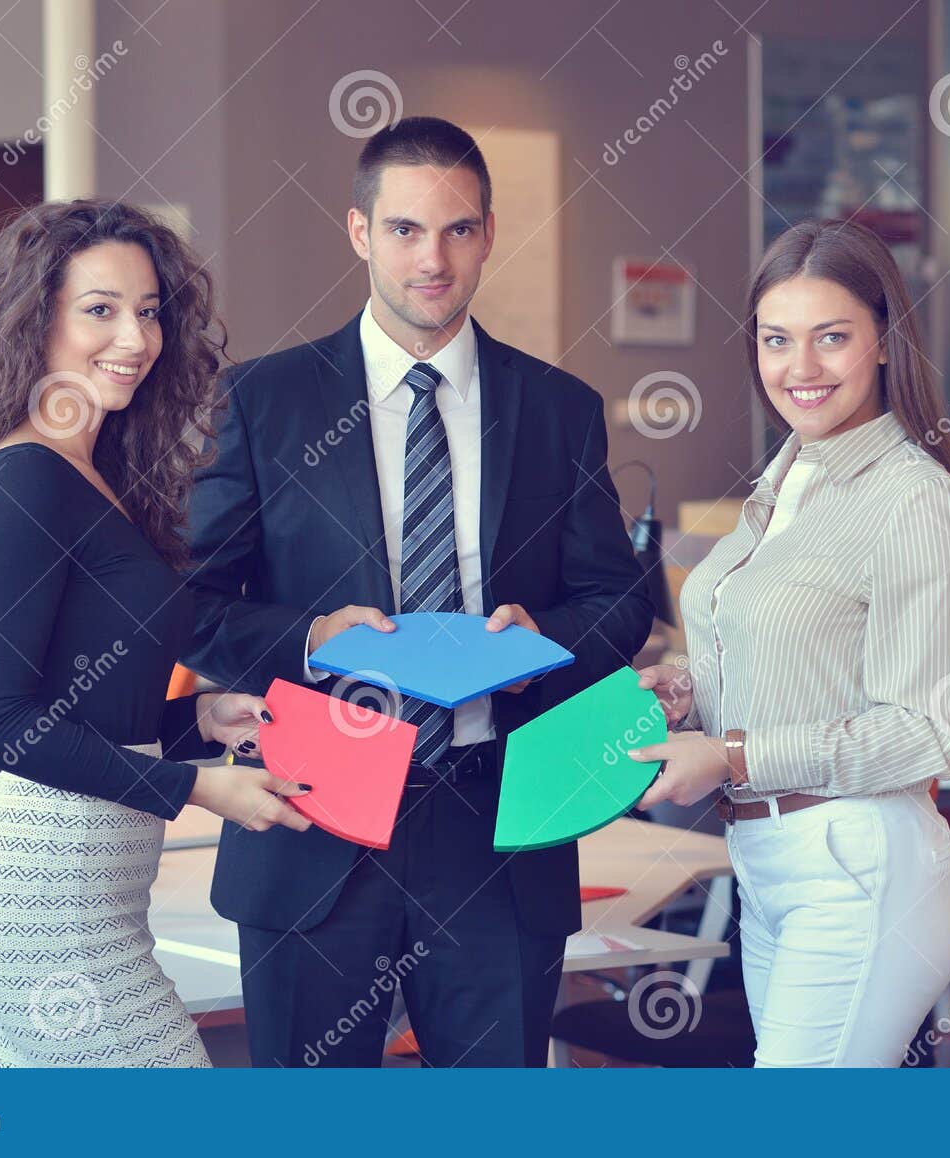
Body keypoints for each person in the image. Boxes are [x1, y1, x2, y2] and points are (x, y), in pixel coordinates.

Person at [184, 117, 653, 1067]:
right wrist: (309, 639)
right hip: (313, 813)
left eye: (457, 230)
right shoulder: (264, 400)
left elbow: (620, 599)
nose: (431, 260)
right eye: (404, 229)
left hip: (495, 826)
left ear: (487, 233)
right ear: (359, 230)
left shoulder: (558, 408)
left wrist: (547, 642)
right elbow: (189, 602)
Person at [0, 199, 312, 1068]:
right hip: (47, 915)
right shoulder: (28, 480)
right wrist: (198, 786)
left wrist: (195, 721)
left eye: (148, 311)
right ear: (34, 322)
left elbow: (81, 707)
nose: (134, 339)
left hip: (92, 902)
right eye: (99, 309)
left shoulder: (89, 473)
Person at [632, 218, 950, 1067]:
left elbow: (932, 732)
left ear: (884, 341)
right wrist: (690, 687)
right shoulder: (787, 480)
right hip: (767, 860)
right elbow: (795, 658)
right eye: (776, 340)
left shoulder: (913, 501)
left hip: (858, 864)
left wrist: (731, 754)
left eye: (832, 337)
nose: (801, 367)